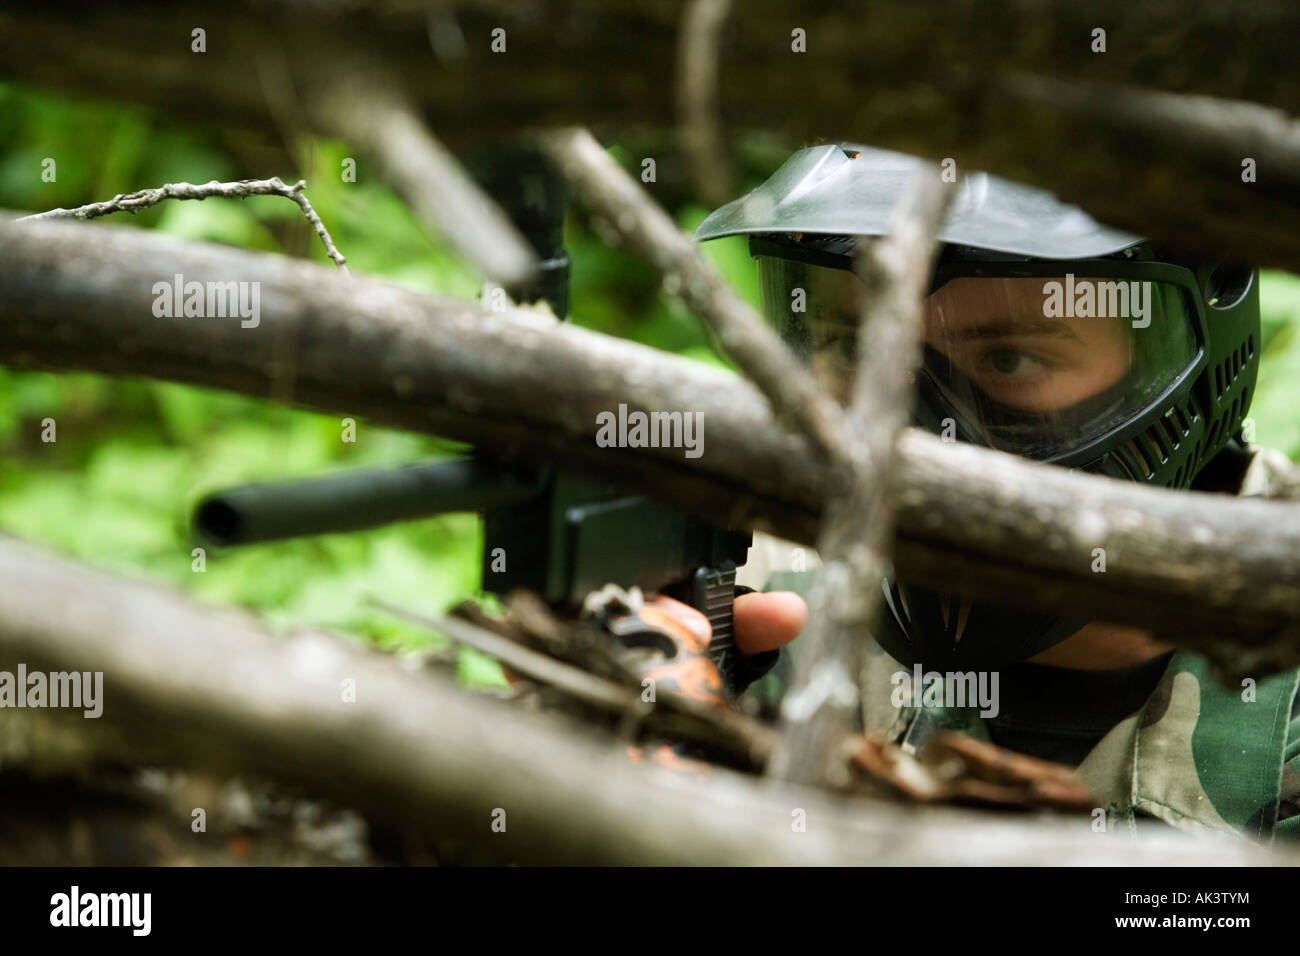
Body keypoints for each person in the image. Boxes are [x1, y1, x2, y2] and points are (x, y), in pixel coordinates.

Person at [651, 143, 1300, 843]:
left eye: (1010, 359)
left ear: (1189, 355)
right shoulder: (754, 604)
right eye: (859, 349)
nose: (923, 436)